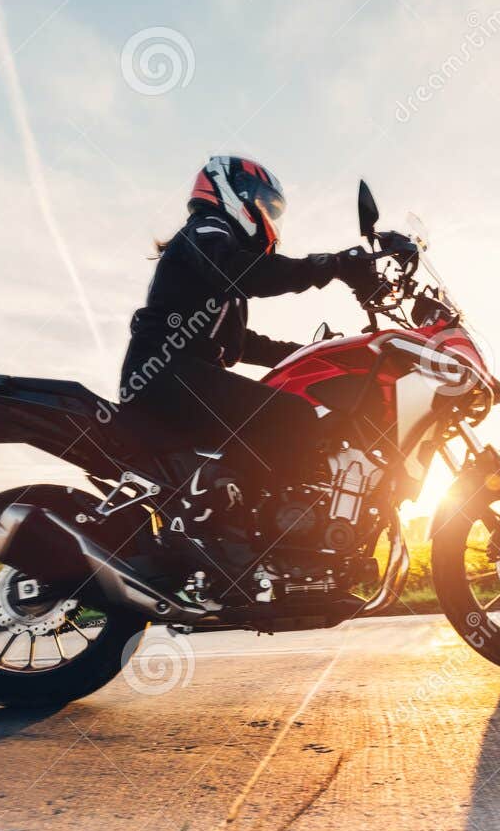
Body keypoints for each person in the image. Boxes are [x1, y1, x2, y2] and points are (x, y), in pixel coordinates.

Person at [117, 155, 376, 541]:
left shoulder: (219, 266)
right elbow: (245, 272)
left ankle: (239, 526)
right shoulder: (206, 229)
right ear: (231, 191)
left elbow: (241, 344)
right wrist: (332, 265)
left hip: (180, 376)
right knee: (294, 417)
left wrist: (315, 352)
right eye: (266, 205)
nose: (270, 216)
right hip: (163, 374)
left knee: (282, 414)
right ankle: (268, 534)